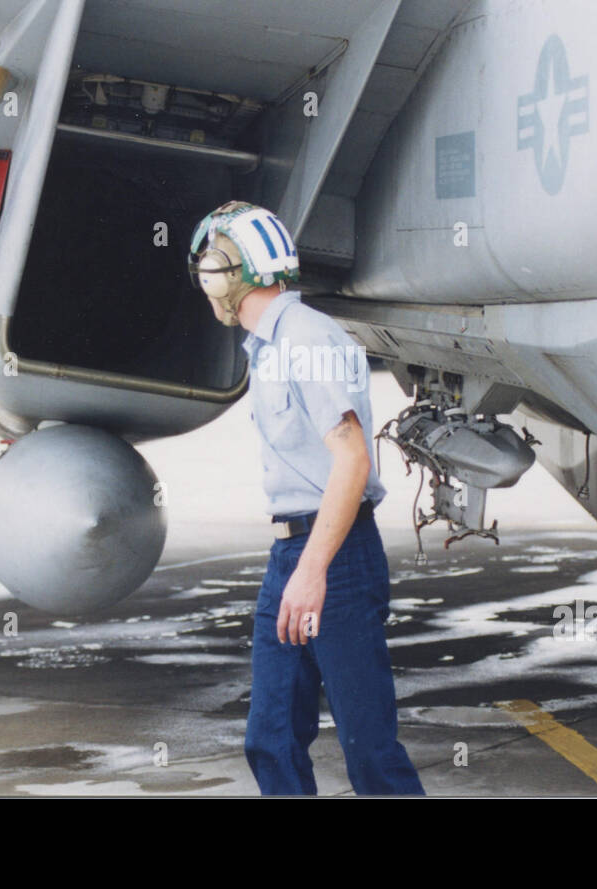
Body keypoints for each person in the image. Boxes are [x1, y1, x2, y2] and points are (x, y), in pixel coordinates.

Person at [188, 200, 424, 796]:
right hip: (292, 553)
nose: (204, 282)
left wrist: (314, 571)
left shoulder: (306, 339)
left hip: (333, 556)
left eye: (210, 267)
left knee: (370, 751)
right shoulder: (269, 343)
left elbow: (352, 460)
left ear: (235, 272)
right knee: (271, 738)